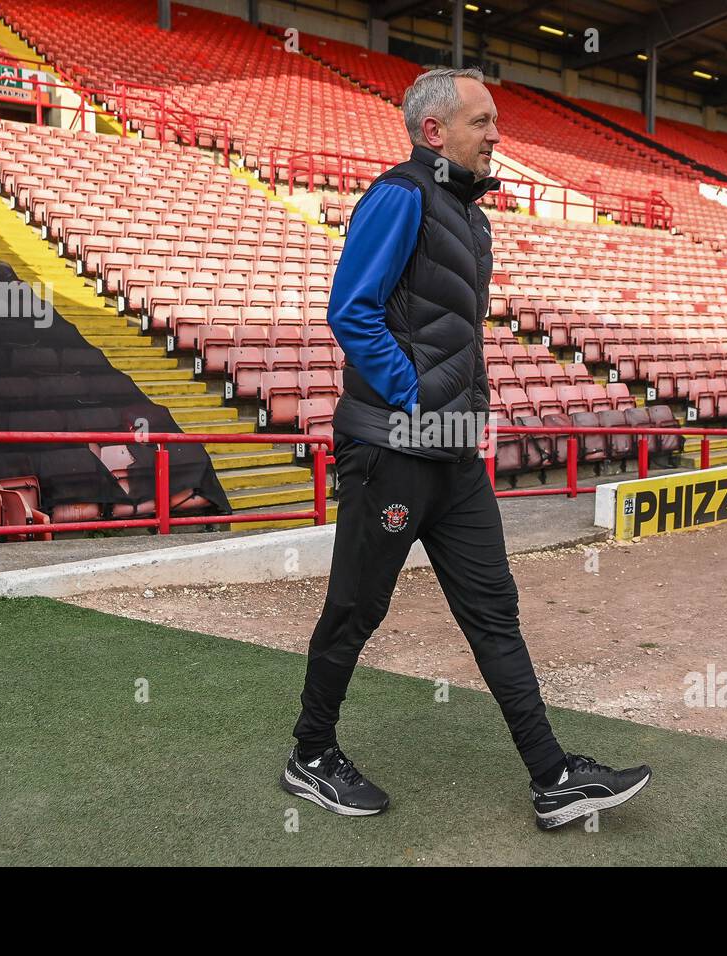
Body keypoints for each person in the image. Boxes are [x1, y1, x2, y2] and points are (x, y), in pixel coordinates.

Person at [281, 68, 650, 830]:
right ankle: (310, 757)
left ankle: (552, 779)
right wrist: (415, 396)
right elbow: (351, 312)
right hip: (392, 447)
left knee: (494, 613)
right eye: (481, 122)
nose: (495, 136)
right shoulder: (399, 197)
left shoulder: (469, 217)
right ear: (433, 131)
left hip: (453, 453)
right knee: (355, 609)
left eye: (495, 122)